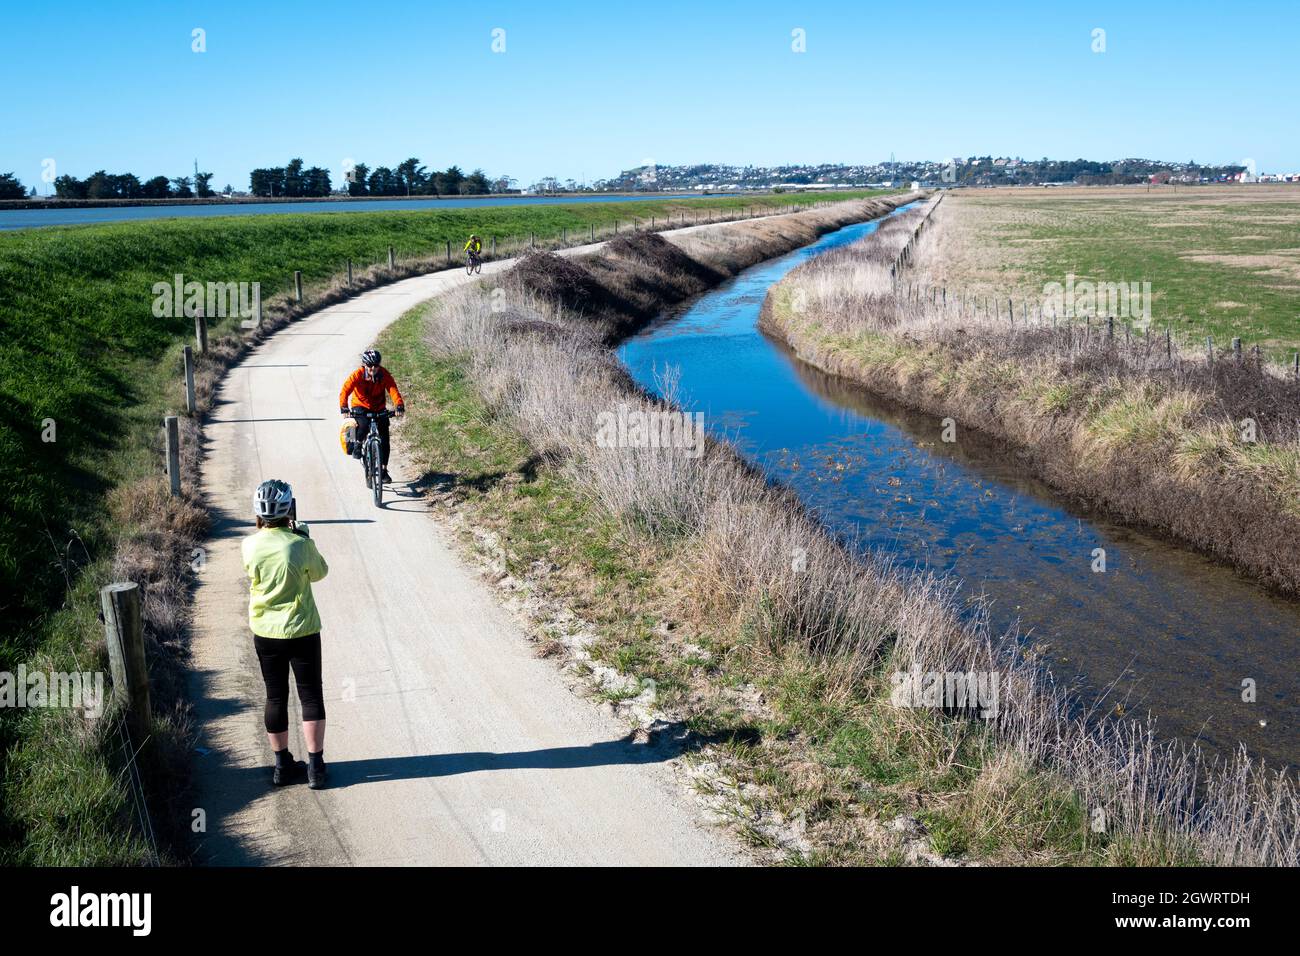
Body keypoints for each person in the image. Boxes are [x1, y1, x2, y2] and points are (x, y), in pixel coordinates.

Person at [243, 479, 330, 789]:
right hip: (302, 629)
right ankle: (315, 768)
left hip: (265, 632)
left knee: (275, 696)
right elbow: (320, 572)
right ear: (289, 509)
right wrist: (305, 536)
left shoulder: (249, 545)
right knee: (310, 694)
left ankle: (281, 766)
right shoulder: (299, 543)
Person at [339, 349, 405, 483]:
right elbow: (345, 390)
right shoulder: (357, 375)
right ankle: (356, 444)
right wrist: (344, 407)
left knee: (385, 438)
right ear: (364, 365)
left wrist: (399, 405)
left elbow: (393, 389)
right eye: (369, 365)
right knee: (362, 425)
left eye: (376, 365)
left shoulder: (384, 374)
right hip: (360, 406)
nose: (373, 368)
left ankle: (383, 470)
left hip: (379, 408)